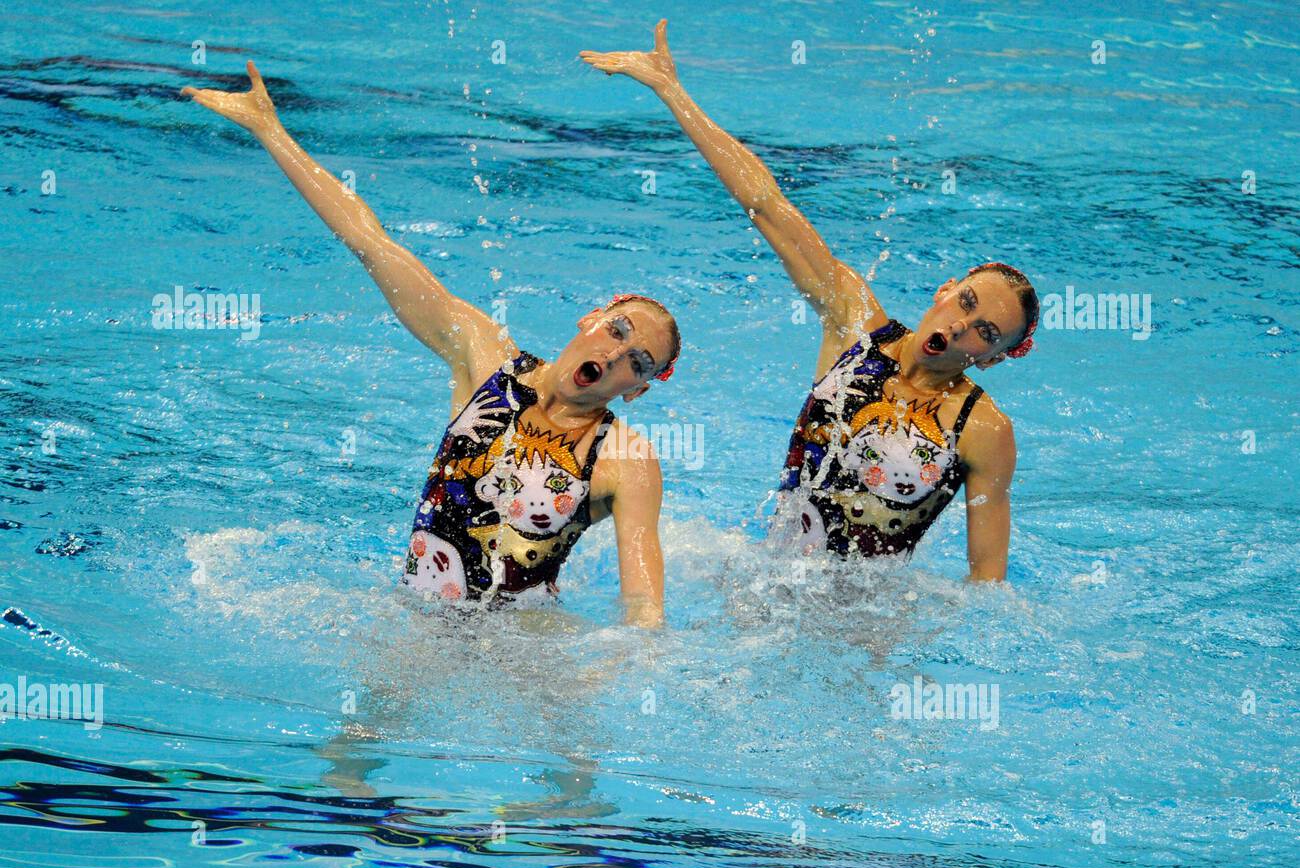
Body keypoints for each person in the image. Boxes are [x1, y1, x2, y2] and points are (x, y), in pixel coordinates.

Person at [182, 63, 680, 625]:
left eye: (637, 362)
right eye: (617, 332)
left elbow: (643, 604)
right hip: (420, 623)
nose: (615, 356)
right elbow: (371, 243)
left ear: (635, 391)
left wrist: (622, 660)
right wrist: (272, 131)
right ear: (592, 320)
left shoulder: (626, 459)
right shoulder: (485, 359)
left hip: (528, 649)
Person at [582, 23, 1037, 580]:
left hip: (867, 617)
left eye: (987, 333)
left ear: (992, 359)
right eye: (965, 302)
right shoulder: (854, 324)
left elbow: (986, 577)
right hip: (772, 576)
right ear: (945, 290)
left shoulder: (984, 429)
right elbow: (766, 202)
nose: (963, 325)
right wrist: (672, 91)